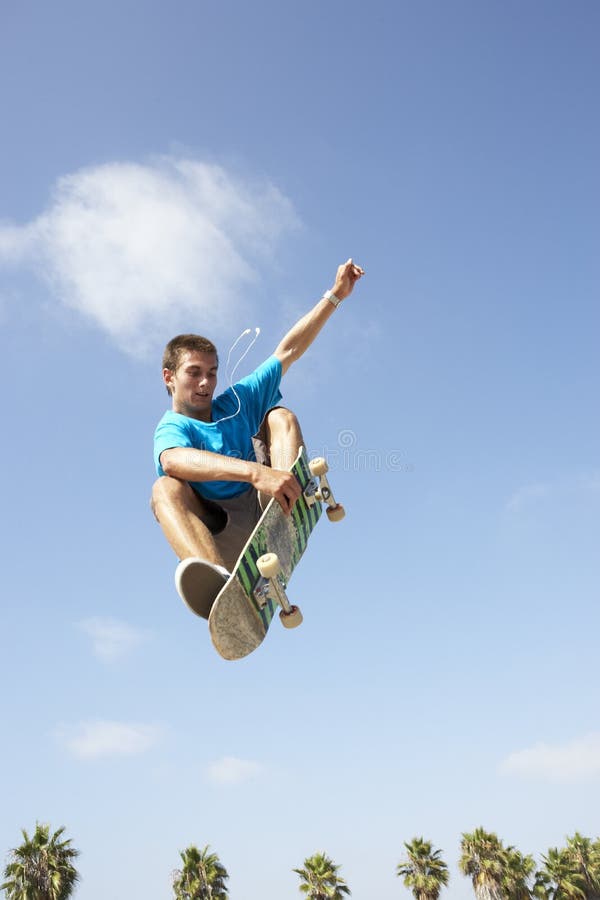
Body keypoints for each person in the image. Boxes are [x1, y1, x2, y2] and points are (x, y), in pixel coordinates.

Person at [152, 258, 364, 613]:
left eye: (212, 373)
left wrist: (336, 295)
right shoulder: (173, 428)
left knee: (279, 416)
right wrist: (254, 472)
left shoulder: (238, 401)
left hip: (269, 502)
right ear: (169, 377)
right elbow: (172, 459)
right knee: (164, 489)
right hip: (221, 534)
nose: (206, 383)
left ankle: (285, 513)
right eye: (194, 373)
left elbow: (289, 351)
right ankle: (222, 585)